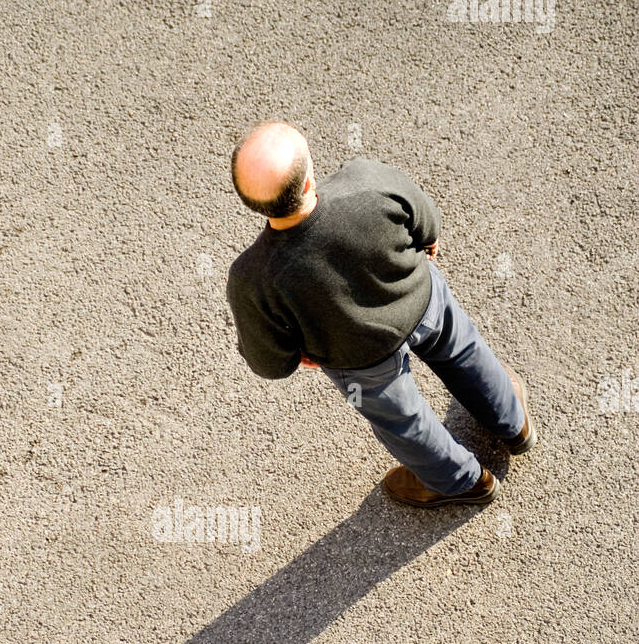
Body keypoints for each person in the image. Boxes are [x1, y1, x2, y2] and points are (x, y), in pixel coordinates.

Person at [226, 120, 537, 507]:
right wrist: (426, 243)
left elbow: (269, 362)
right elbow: (426, 221)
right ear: (307, 181)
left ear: (250, 202)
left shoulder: (251, 278)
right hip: (422, 298)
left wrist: (298, 356)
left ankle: (459, 482)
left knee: (404, 422)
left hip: (358, 358)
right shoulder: (365, 180)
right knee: (463, 354)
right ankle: (512, 423)